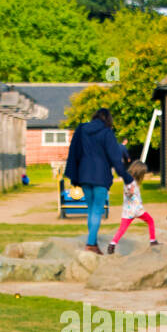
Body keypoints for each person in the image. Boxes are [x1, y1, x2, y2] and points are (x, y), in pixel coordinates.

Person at [64, 108, 131, 255]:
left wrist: (74, 175)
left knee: (91, 209)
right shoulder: (107, 133)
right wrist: (127, 178)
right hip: (100, 176)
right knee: (97, 209)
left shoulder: (81, 129)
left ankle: (92, 241)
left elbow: (74, 152)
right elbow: (115, 158)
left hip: (84, 174)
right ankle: (90, 244)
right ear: (108, 119)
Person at [106, 160, 159, 253]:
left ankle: (112, 244)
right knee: (150, 221)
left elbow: (127, 191)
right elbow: (128, 192)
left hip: (128, 211)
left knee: (122, 229)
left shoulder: (128, 179)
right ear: (139, 173)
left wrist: (129, 192)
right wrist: (130, 193)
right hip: (137, 209)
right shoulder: (131, 182)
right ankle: (152, 241)